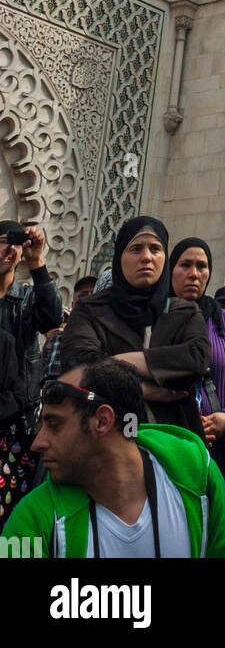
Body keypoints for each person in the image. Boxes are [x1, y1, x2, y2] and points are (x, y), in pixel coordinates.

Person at [4, 357, 225, 557]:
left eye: (54, 424)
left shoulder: (196, 474)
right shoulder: (32, 519)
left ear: (103, 420)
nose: (38, 443)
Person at [60, 217, 210, 434]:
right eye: (136, 249)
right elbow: (79, 368)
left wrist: (117, 361)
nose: (146, 257)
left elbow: (196, 359)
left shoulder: (184, 311)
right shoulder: (91, 309)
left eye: (155, 249)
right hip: (106, 432)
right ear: (120, 256)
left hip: (173, 434)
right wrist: (144, 390)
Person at [168, 237, 225, 546]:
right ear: (171, 270)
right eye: (185, 265)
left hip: (216, 448)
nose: (194, 273)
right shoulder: (156, 318)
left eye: (202, 266)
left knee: (218, 534)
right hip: (168, 446)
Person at [0, 221, 63, 529]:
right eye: (2, 240)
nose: (9, 248)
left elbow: (53, 318)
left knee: (17, 520)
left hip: (17, 424)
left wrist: (37, 260)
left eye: (15, 242)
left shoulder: (25, 299)